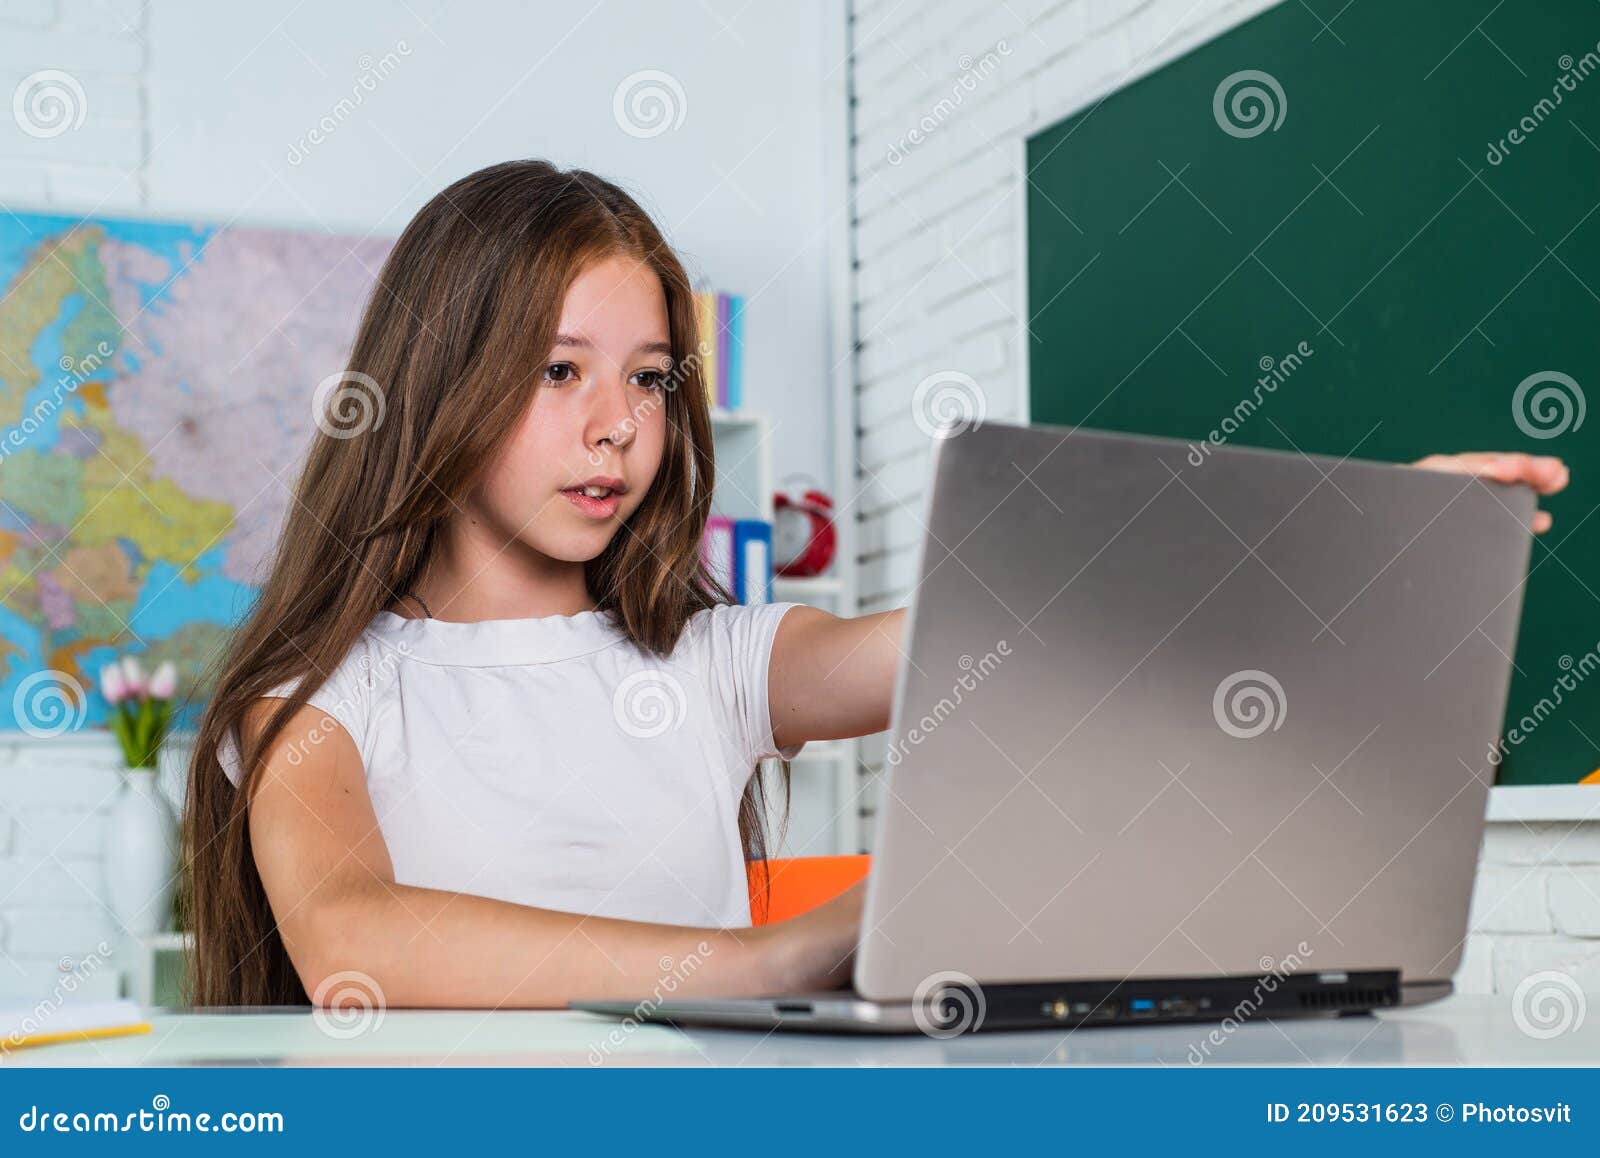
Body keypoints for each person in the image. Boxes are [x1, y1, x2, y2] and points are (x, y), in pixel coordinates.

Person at [182, 160, 1570, 1009]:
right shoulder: (316, 697)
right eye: (560, 370)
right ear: (441, 376)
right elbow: (357, 938)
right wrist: (758, 967)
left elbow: (1029, 642)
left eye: (651, 378)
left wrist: (1347, 539)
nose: (619, 423)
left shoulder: (709, 658)